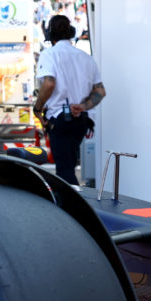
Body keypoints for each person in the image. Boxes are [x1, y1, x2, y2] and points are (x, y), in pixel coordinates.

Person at [32, 14, 105, 186]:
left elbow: (49, 83)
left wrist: (38, 108)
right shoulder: (86, 58)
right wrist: (82, 106)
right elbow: (100, 91)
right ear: (70, 32)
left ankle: (72, 208)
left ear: (49, 35)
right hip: (82, 120)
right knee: (69, 166)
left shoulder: (49, 55)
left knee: (64, 170)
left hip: (60, 118)